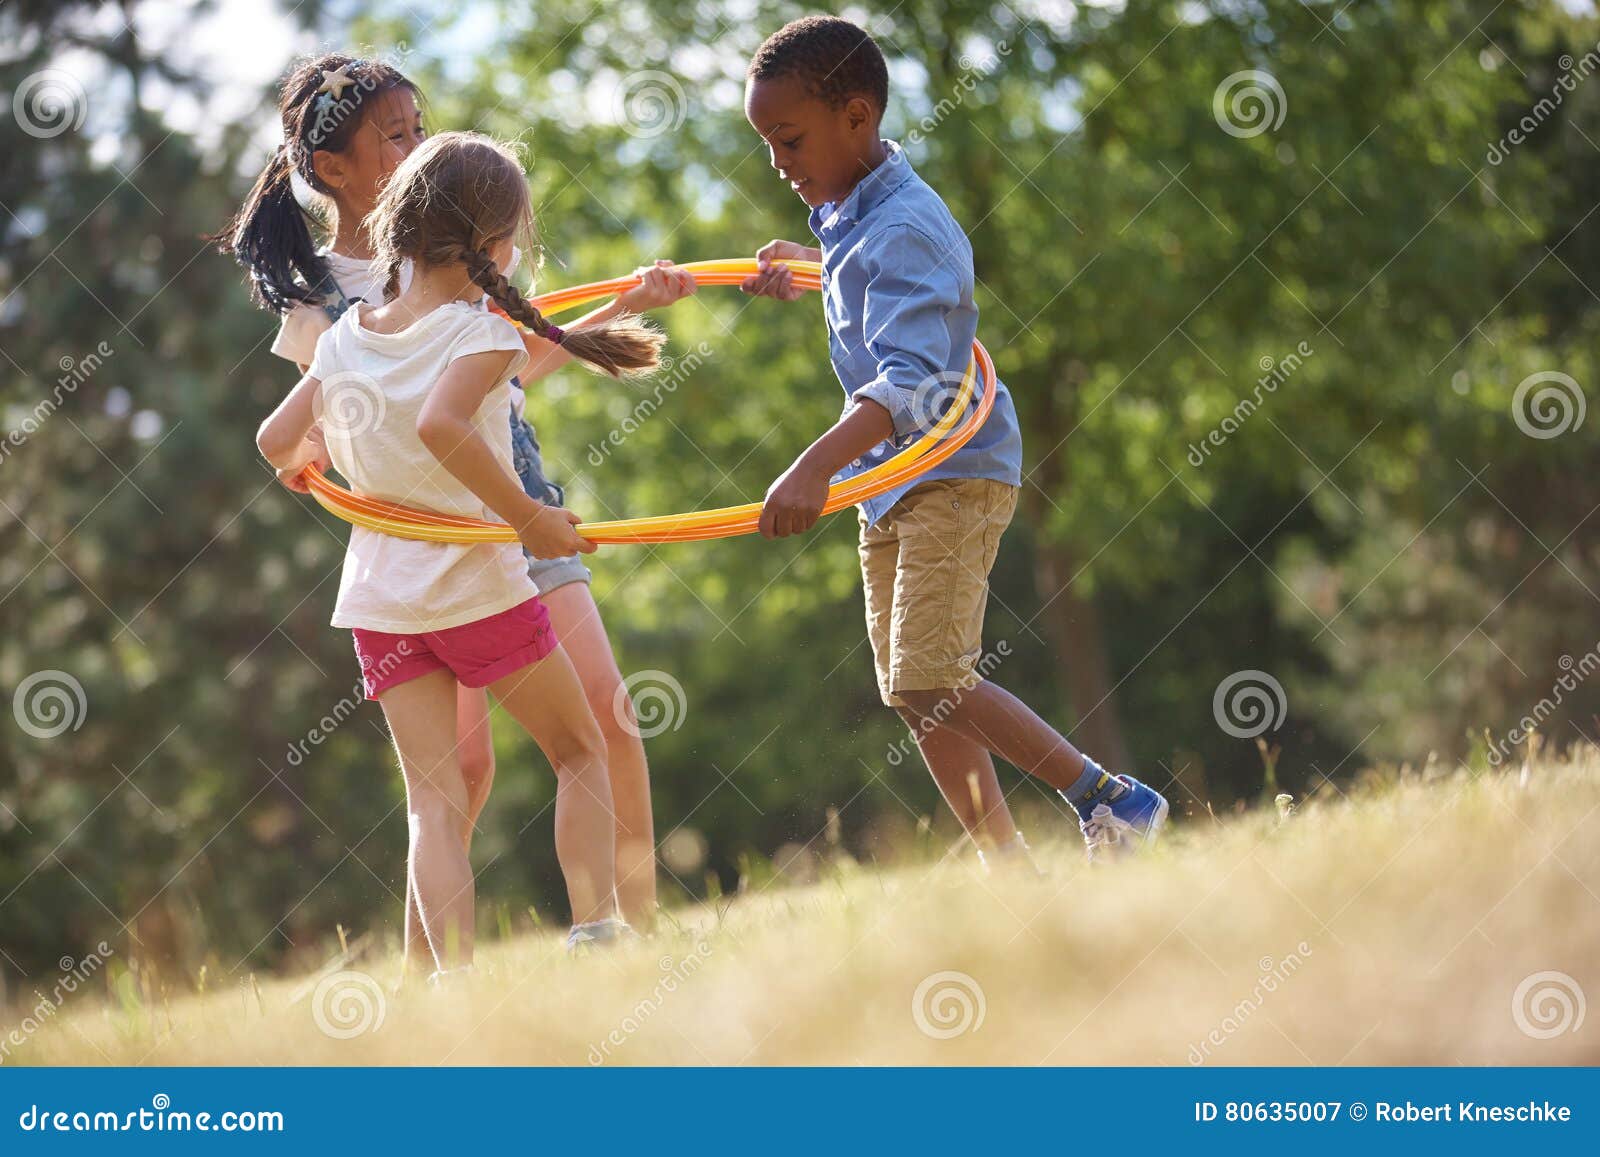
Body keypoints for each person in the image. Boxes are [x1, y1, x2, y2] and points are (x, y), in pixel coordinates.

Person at [222, 55, 689, 954]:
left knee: (603, 713)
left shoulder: (447, 252)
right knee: (463, 773)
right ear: (332, 168)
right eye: (395, 134)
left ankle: (635, 937)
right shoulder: (328, 305)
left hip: (510, 507)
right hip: (435, 531)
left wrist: (628, 301)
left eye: (417, 125)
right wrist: (313, 461)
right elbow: (332, 431)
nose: (417, 143)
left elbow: (500, 382)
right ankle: (439, 979)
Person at [739, 17, 1168, 860]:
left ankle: (1110, 797)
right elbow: (868, 272)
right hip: (890, 480)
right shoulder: (856, 210)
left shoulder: (905, 226)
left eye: (788, 140)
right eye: (767, 143)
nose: (778, 164)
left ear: (855, 118)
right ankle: (1007, 869)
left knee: (935, 676)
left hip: (951, 470)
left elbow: (907, 385)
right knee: (911, 689)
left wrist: (811, 467)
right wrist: (810, 258)